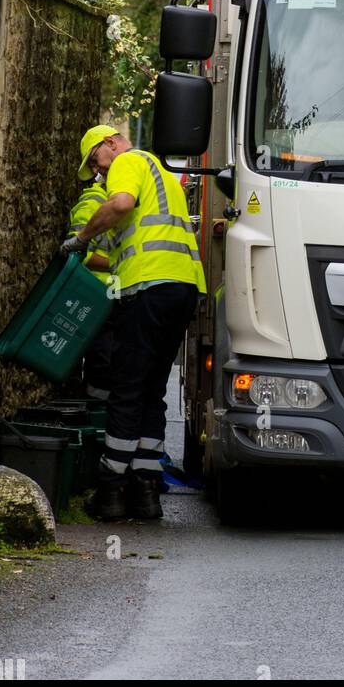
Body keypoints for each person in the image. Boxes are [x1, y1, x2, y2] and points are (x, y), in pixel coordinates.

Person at [60, 124, 205, 521]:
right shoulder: (160, 171)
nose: (99, 174)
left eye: (96, 163)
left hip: (147, 287)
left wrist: (82, 238)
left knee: (126, 388)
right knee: (151, 389)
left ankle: (110, 493)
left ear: (109, 144)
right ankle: (145, 492)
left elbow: (121, 204)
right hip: (183, 286)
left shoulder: (127, 160)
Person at [68, 173, 115, 399]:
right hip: (97, 293)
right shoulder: (92, 204)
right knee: (102, 353)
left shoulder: (115, 205)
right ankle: (98, 402)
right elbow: (80, 253)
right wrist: (120, 264)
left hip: (113, 291)